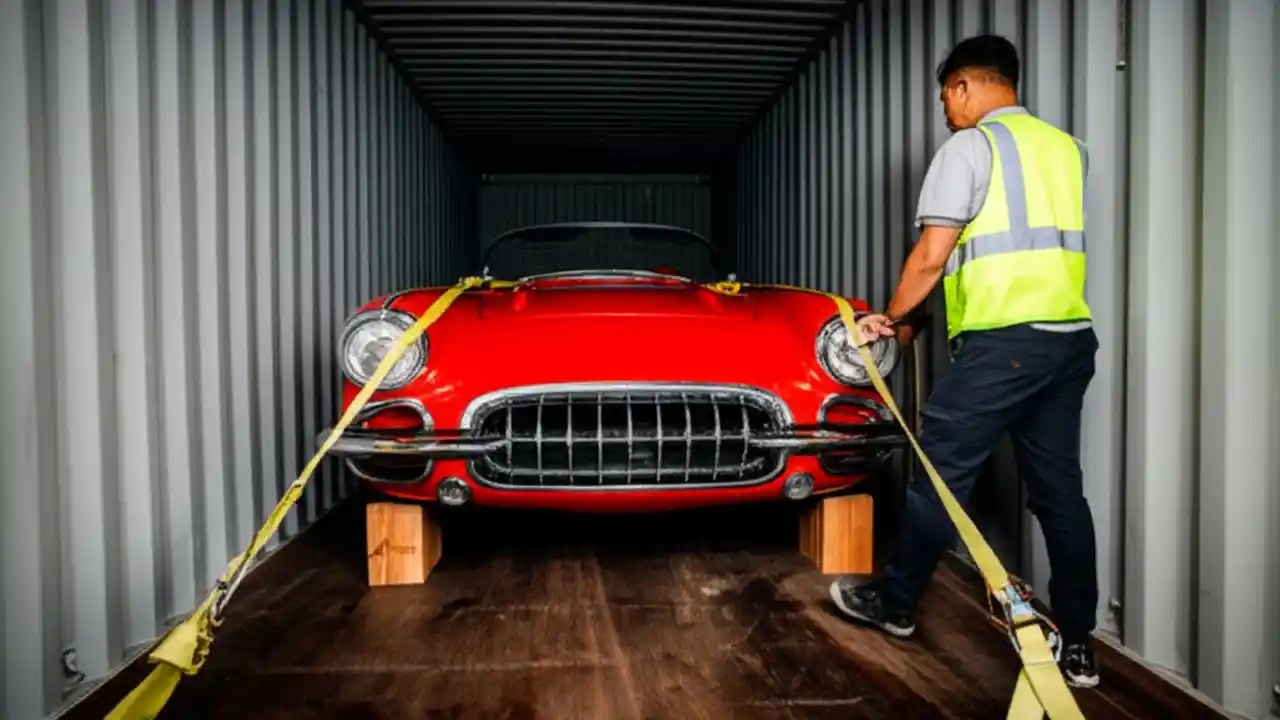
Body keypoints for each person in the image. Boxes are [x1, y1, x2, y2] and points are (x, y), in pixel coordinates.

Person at [827, 34, 1101, 689]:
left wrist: (891, 319)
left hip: (1002, 347)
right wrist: (920, 321)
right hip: (1068, 342)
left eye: (946, 99)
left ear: (962, 86)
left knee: (940, 476)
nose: (947, 114)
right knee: (1060, 494)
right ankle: (1079, 644)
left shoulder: (970, 147)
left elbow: (933, 254)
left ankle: (894, 605)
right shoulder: (1070, 150)